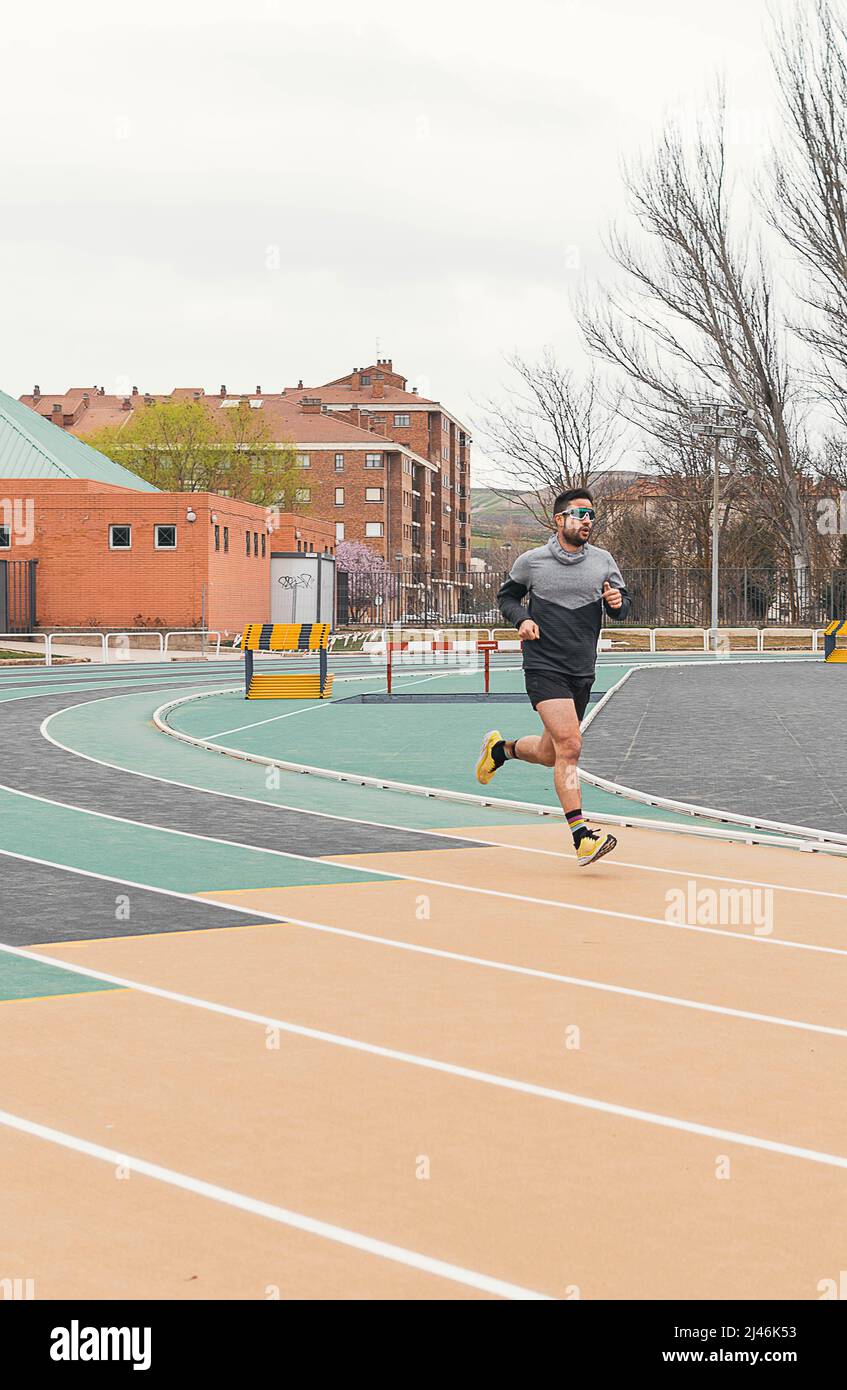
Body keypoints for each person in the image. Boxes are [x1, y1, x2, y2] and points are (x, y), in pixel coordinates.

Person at [476, 489, 631, 867]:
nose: (587, 521)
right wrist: (522, 619)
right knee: (571, 746)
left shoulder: (603, 562)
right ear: (559, 520)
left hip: (582, 668)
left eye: (591, 515)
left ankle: (502, 750)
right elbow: (507, 598)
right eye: (579, 514)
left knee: (551, 753)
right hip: (544, 665)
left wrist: (617, 603)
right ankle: (582, 837)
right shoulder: (533, 562)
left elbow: (623, 607)